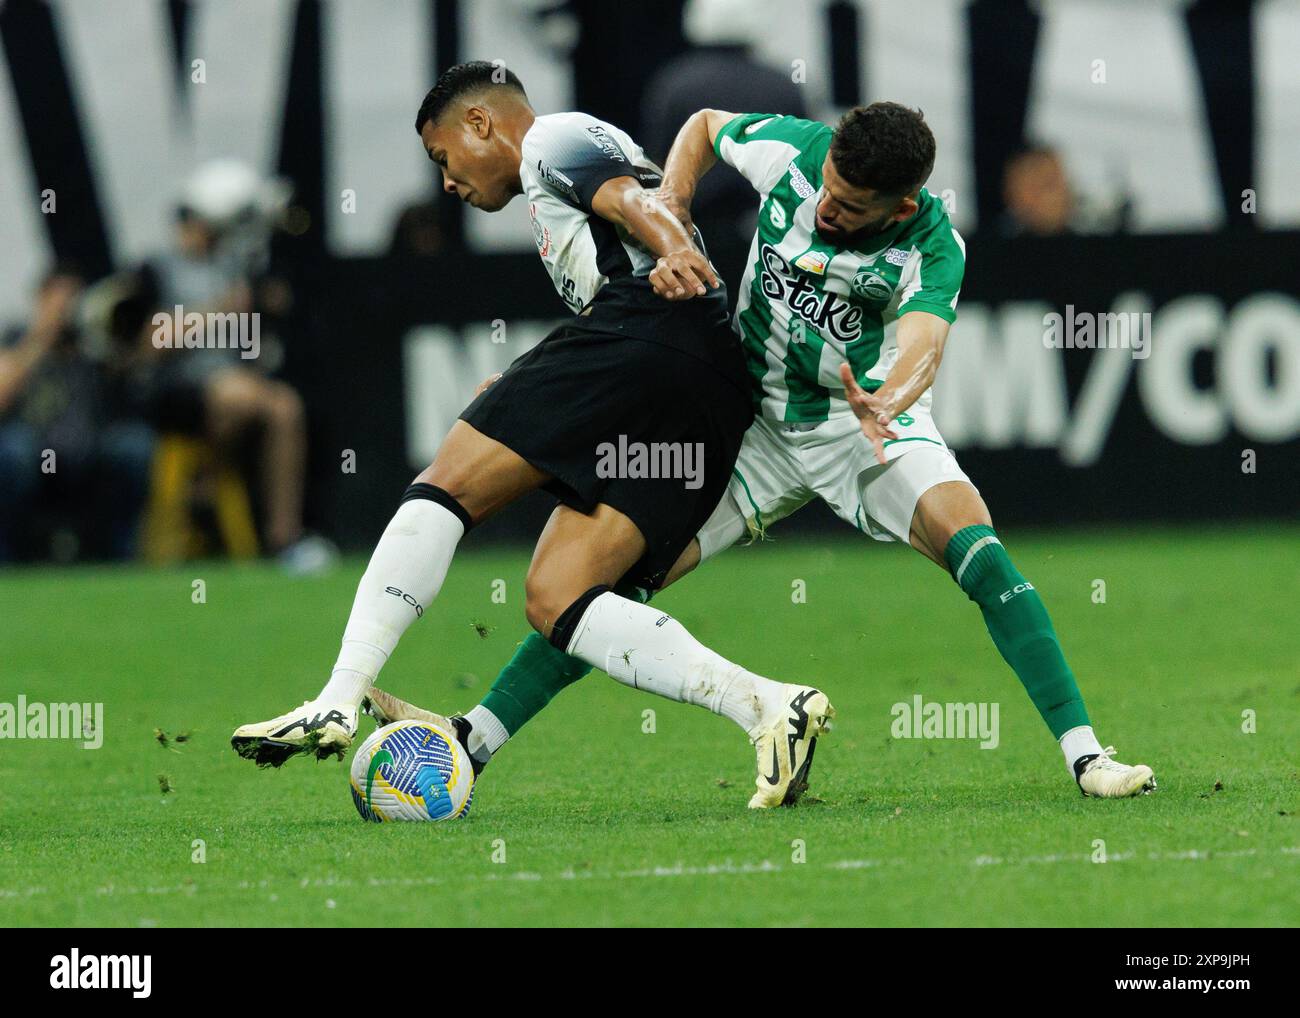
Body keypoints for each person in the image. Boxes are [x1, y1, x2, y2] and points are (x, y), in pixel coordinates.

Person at [371, 103, 1156, 800]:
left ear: (901, 206)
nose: (824, 210)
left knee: (982, 557)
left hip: (860, 429)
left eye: (848, 208)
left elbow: (925, 337)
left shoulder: (934, 244)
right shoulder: (798, 151)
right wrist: (673, 196)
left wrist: (892, 396)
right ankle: (474, 740)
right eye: (826, 190)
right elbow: (705, 126)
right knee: (604, 586)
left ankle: (1088, 759)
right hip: (743, 425)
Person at [230, 62, 835, 809]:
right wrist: (535, 381)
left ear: (482, 124)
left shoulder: (552, 136)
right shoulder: (562, 183)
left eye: (443, 158)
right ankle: (769, 707)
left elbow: (632, 203)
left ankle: (338, 692)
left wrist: (674, 247)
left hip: (653, 325)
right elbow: (623, 235)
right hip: (708, 381)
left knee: (445, 484)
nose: (447, 184)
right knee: (563, 595)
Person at [0, 267, 153, 561]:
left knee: (135, 445)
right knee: (12, 453)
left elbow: (134, 368)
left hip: (90, 449)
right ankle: (8, 558)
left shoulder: (93, 340)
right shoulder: (18, 338)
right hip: (36, 450)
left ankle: (123, 557)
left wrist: (117, 332)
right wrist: (43, 336)